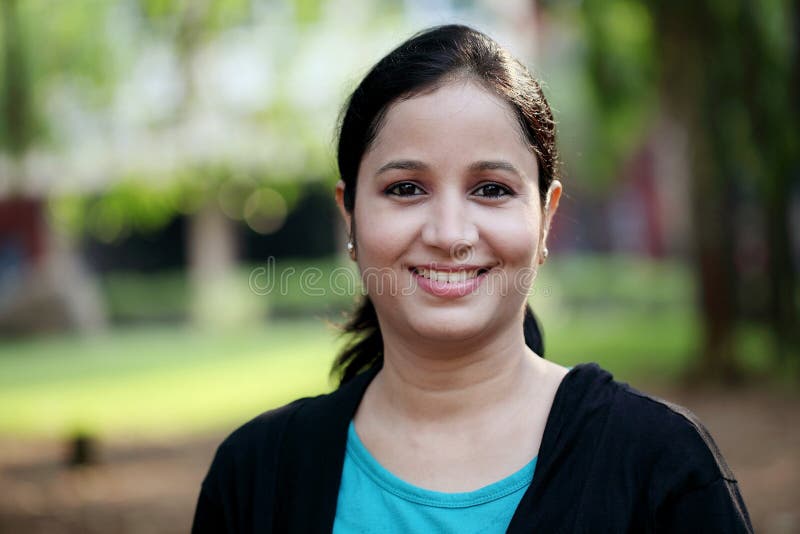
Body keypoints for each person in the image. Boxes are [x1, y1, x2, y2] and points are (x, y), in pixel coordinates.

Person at [192, 24, 753, 533]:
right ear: (351, 215)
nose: (449, 234)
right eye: (406, 188)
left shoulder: (663, 467)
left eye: (491, 189)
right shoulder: (255, 476)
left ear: (546, 217)